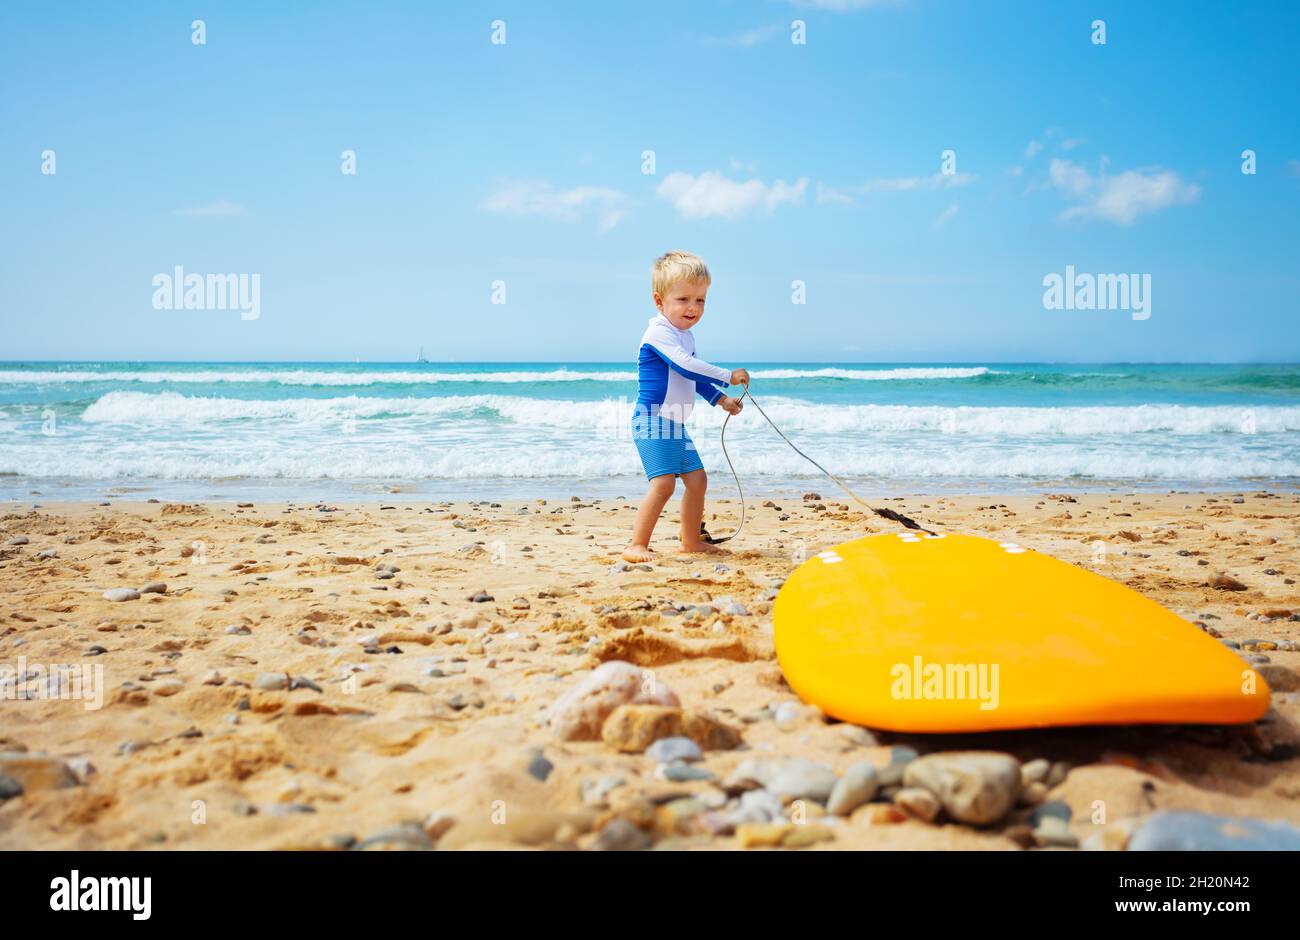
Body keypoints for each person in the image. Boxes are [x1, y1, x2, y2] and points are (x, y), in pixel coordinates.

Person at [622, 250, 749, 563]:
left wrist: (722, 399)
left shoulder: (685, 336)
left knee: (697, 480)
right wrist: (728, 376)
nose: (693, 307)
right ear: (659, 301)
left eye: (700, 300)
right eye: (683, 299)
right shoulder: (658, 334)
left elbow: (693, 379)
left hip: (674, 424)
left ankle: (690, 540)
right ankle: (636, 544)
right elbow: (687, 366)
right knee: (663, 484)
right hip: (651, 422)